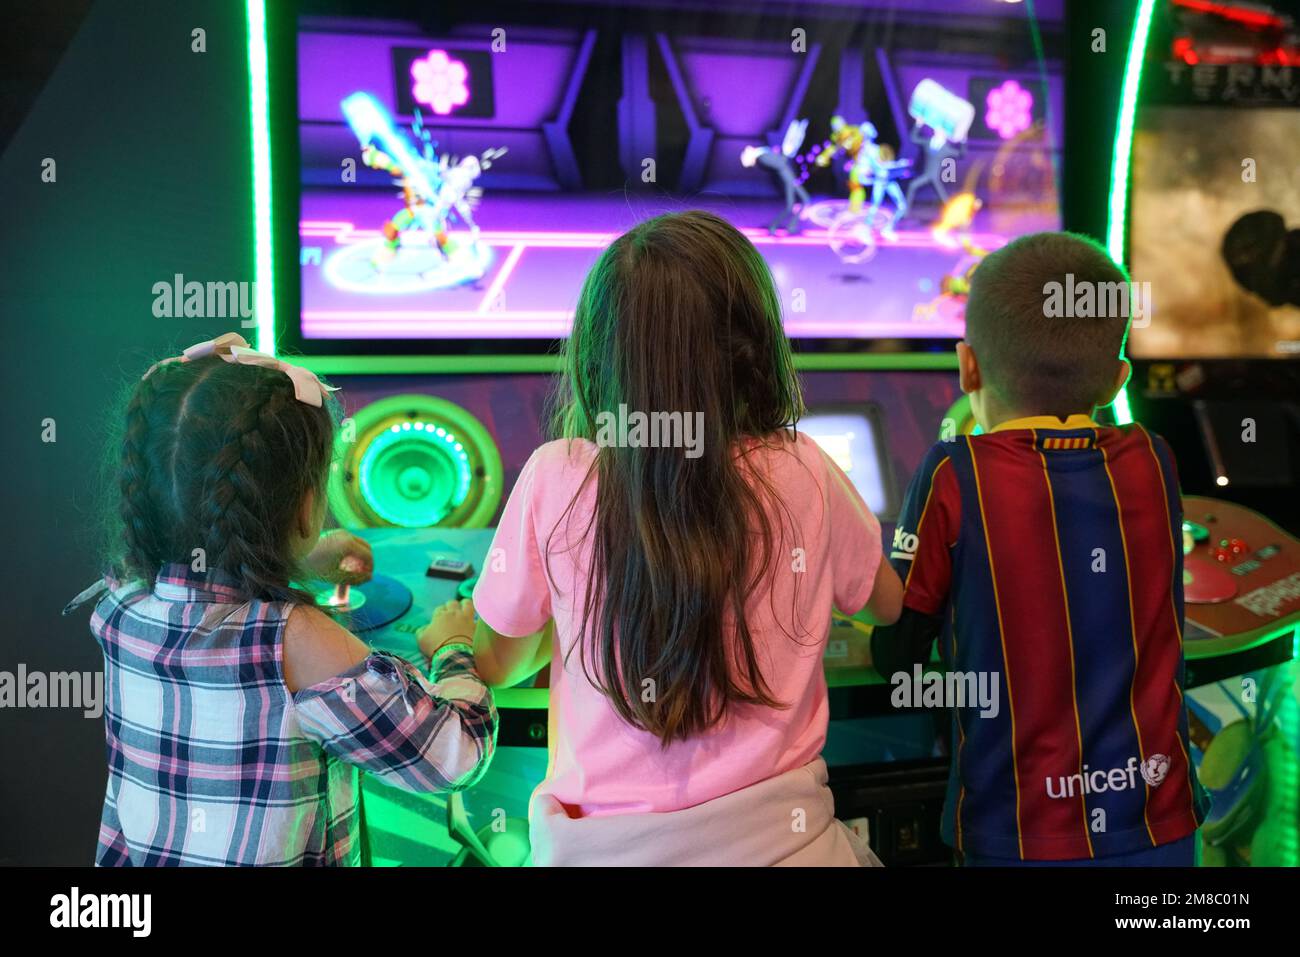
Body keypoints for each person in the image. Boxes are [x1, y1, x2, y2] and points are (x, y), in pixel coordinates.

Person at [422, 211, 902, 865]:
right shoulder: (805, 465)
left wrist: (454, 638)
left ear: (599, 354)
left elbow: (501, 663)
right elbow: (885, 605)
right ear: (754, 347)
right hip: (793, 844)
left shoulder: (557, 473)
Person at [77, 333, 496, 865]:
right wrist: (454, 647)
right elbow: (452, 757)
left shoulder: (121, 603)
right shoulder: (297, 641)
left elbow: (210, 574)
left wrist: (301, 556)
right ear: (305, 505)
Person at [872, 233, 1209, 865]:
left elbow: (897, 650)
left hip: (1015, 831)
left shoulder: (955, 472)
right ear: (1117, 378)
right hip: (1160, 823)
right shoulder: (1154, 462)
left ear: (967, 365)